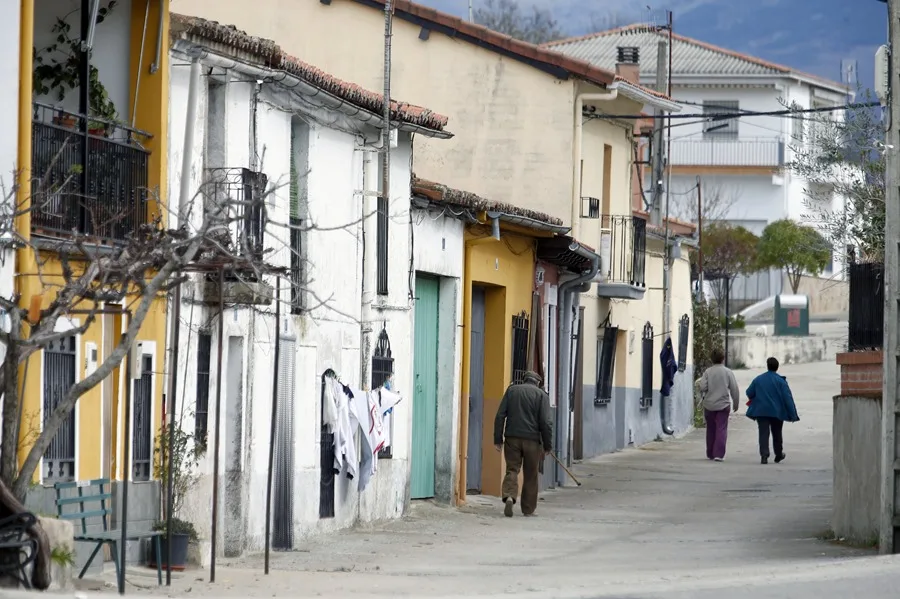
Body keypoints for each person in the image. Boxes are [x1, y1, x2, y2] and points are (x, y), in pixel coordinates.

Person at [493, 371, 553, 518]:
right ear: (537, 382)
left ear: (524, 379)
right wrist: (547, 445)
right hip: (532, 441)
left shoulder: (512, 391)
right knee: (531, 475)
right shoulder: (541, 396)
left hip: (512, 438)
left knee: (512, 469)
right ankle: (528, 509)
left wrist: (498, 439)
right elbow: (546, 422)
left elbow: (500, 415)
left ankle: (509, 496)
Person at [745, 357, 800, 464]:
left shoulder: (758, 379)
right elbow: (787, 398)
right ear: (777, 367)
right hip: (777, 412)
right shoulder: (780, 381)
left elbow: (749, 392)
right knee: (777, 433)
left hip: (761, 411)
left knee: (763, 433)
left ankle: (764, 456)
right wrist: (793, 414)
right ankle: (778, 454)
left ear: (767, 366)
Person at [697, 347, 740, 462]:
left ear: (712, 359)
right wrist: (736, 403)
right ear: (723, 358)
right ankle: (719, 454)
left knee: (710, 428)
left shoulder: (707, 372)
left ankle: (710, 453)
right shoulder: (728, 372)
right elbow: (734, 389)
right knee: (721, 428)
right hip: (723, 405)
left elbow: (702, 387)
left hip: (709, 405)